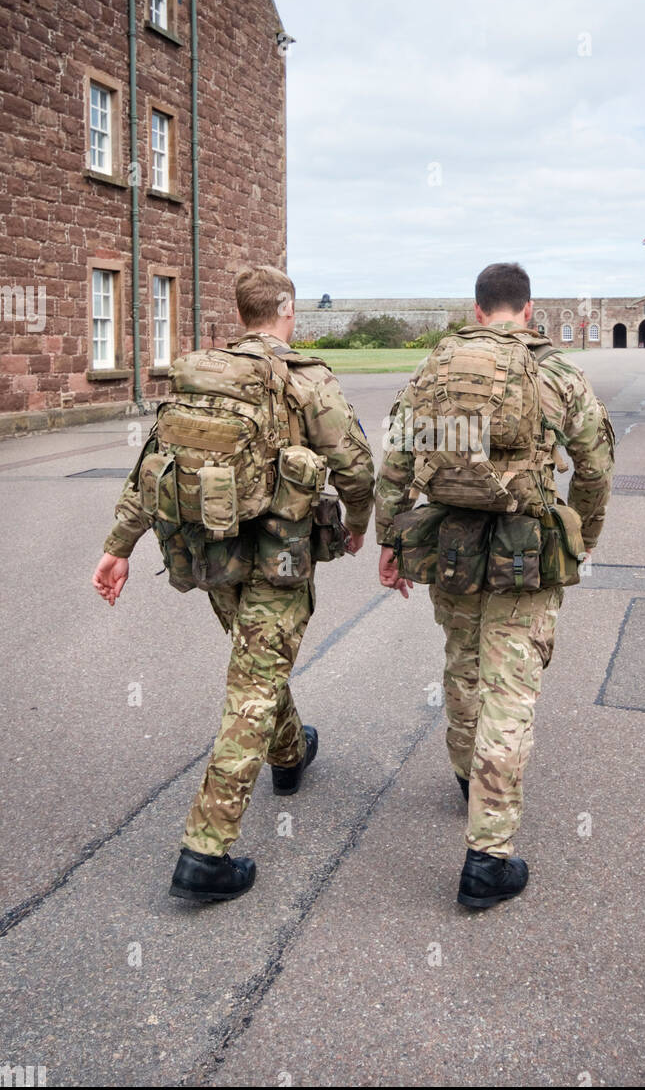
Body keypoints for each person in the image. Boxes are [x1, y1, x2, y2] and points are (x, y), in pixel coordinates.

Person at [92, 266, 375, 903]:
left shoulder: (200, 377)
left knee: (258, 666)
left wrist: (119, 548)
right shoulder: (305, 378)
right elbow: (354, 463)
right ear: (288, 311)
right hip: (278, 557)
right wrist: (358, 524)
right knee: (253, 682)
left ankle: (289, 754)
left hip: (210, 554)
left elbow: (152, 469)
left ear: (241, 313)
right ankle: (205, 852)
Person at [375, 262, 614, 909]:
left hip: (450, 545)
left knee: (462, 663)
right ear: (527, 311)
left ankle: (465, 776)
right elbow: (593, 466)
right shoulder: (556, 371)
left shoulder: (438, 366)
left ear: (478, 310)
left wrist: (390, 542)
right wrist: (582, 537)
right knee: (510, 690)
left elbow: (395, 462)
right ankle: (487, 857)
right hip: (526, 551)